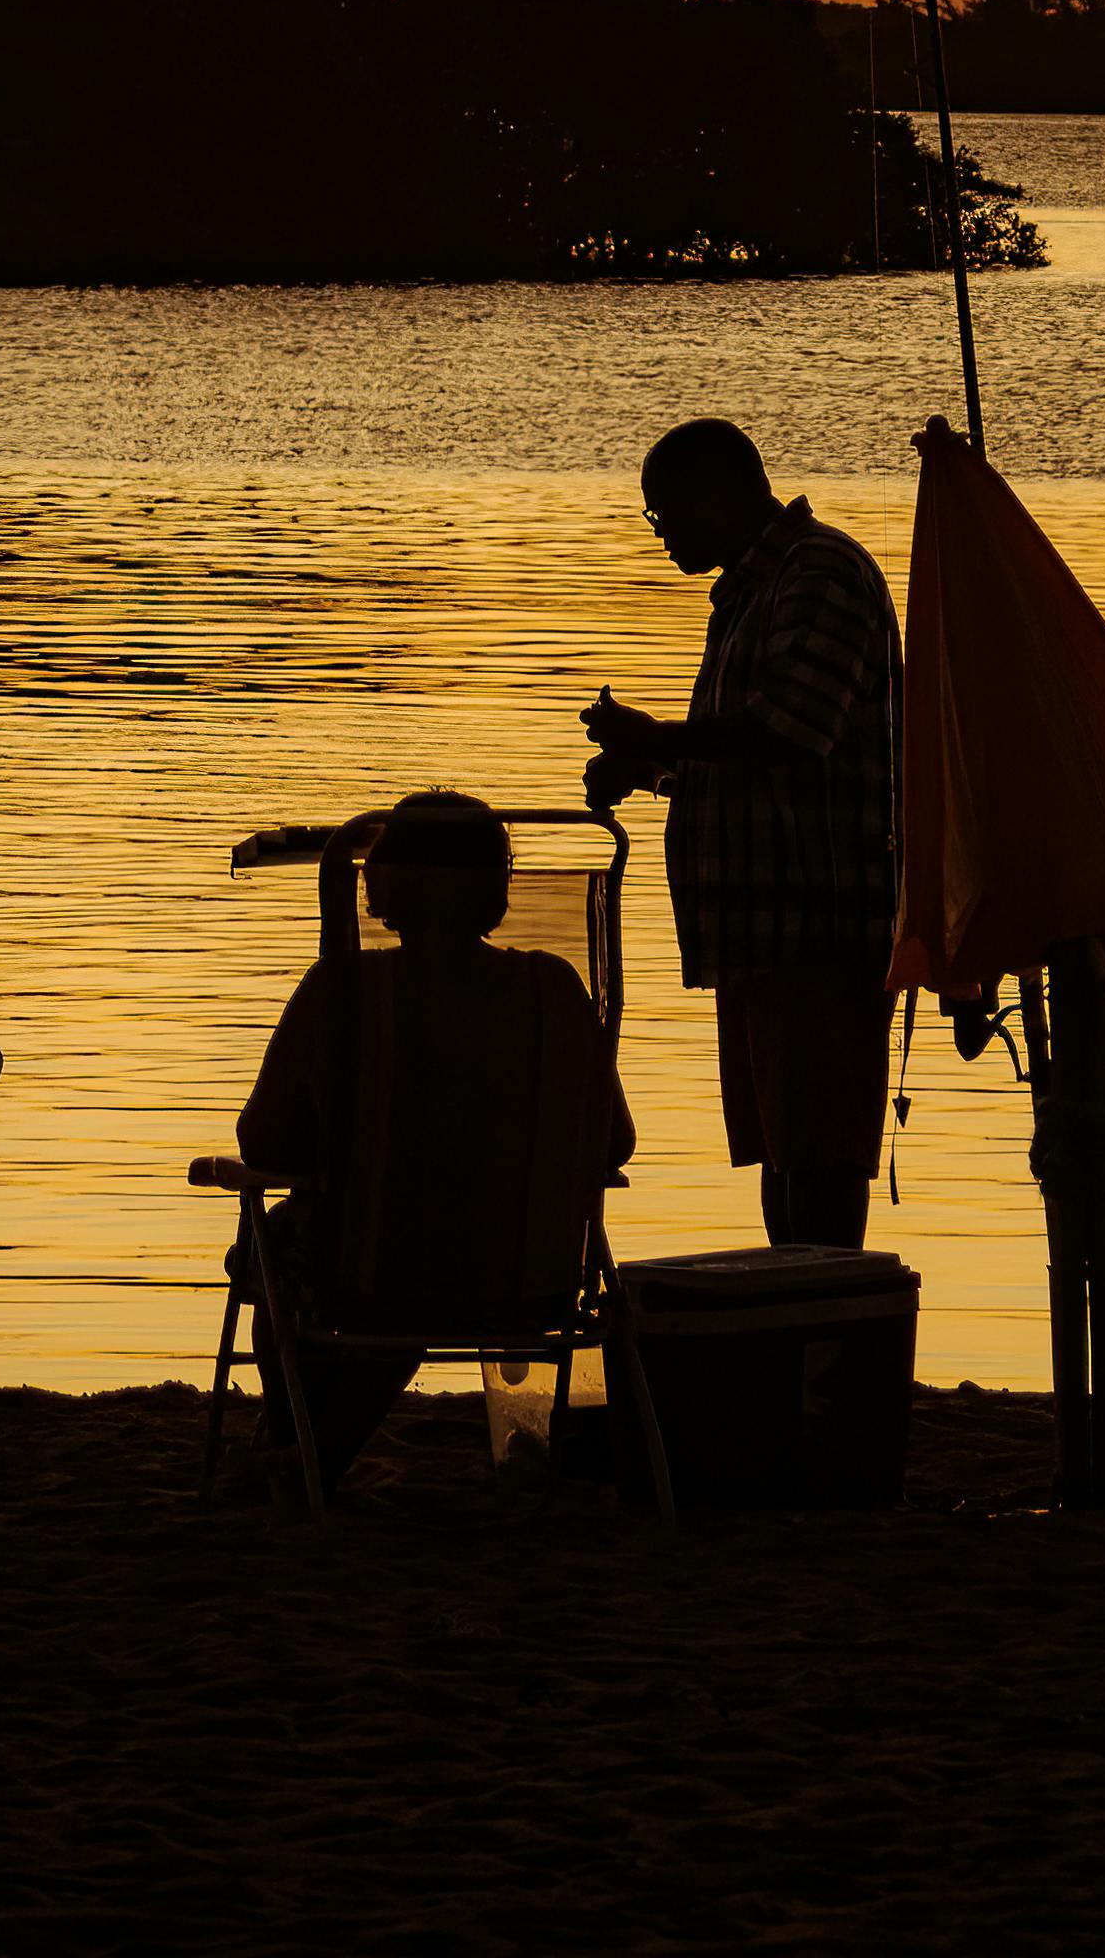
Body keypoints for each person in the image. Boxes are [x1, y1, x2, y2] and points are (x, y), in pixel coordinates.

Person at [234, 788, 633, 1478]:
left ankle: (297, 1444)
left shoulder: (344, 991)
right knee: (398, 1255)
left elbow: (263, 1143)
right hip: (525, 1280)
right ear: (497, 887)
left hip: (367, 1280)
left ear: (388, 884)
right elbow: (613, 1142)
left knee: (273, 1246)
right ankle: (310, 1452)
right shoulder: (555, 990)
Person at [581, 418, 900, 1252]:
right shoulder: (753, 591)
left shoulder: (819, 574)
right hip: (759, 939)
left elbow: (791, 733)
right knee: (780, 1155)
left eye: (666, 515)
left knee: (821, 1159)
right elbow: (743, 762)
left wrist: (661, 738)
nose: (663, 537)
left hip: (819, 932)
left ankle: (829, 1354)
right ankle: (796, 1348)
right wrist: (650, 772)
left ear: (720, 492)